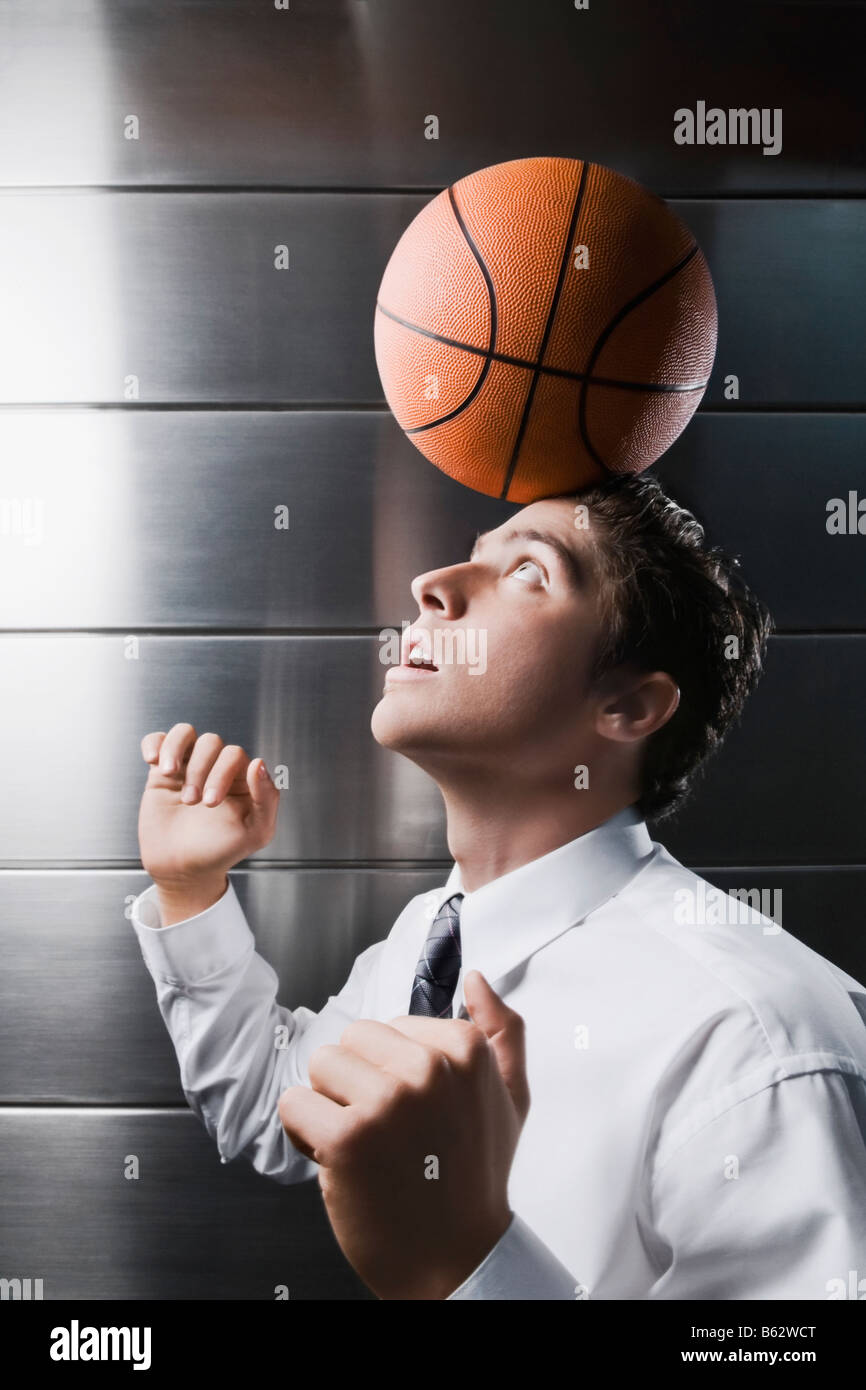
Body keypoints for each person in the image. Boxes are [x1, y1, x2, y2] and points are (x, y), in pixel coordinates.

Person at [131, 473, 866, 1300]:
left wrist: (469, 1264)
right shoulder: (430, 936)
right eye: (473, 557)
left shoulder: (757, 1043)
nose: (431, 586)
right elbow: (275, 1111)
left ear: (628, 705)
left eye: (528, 573)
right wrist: (191, 889)